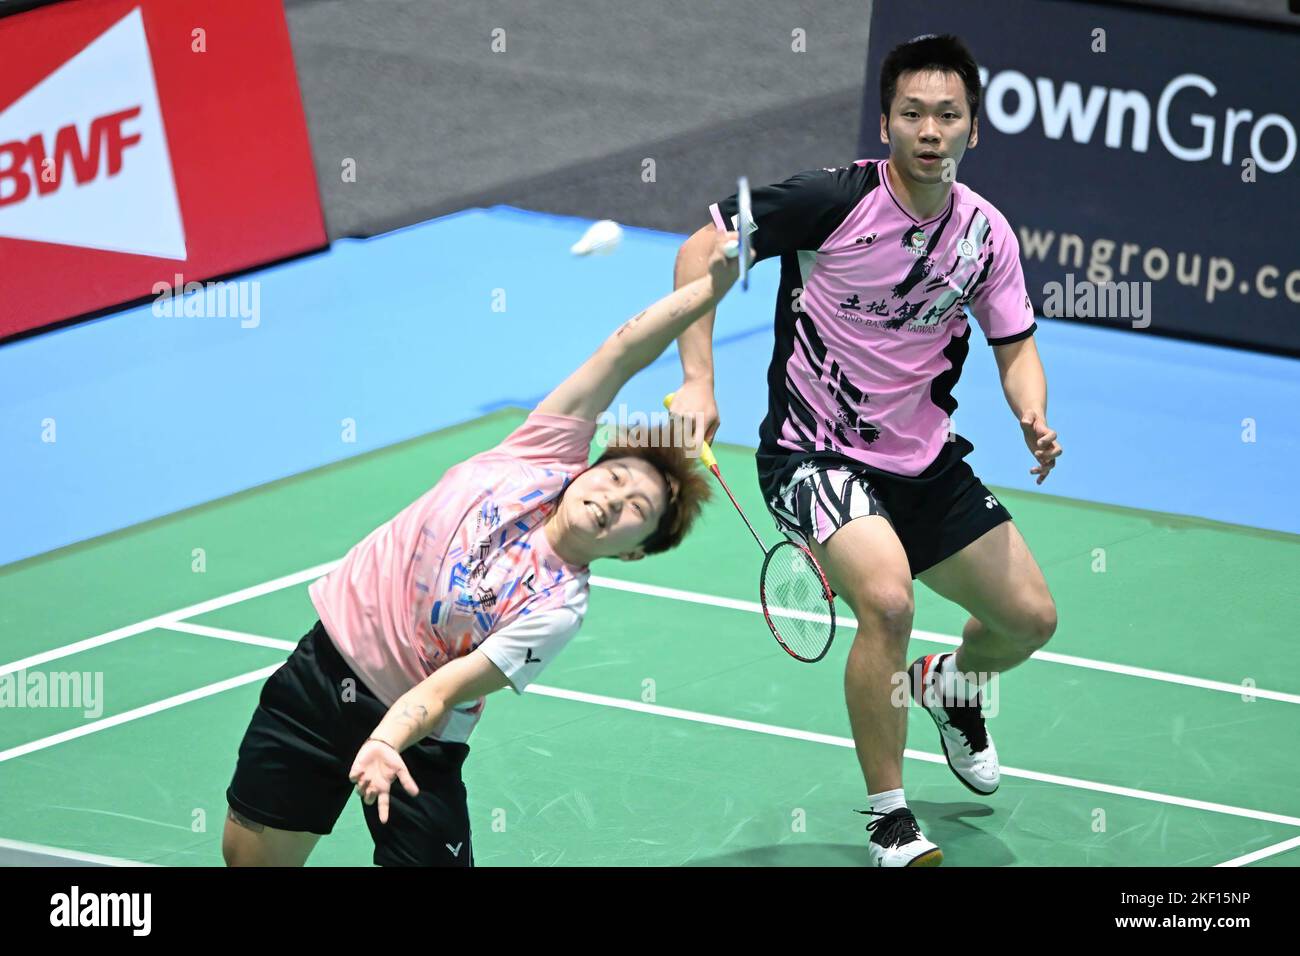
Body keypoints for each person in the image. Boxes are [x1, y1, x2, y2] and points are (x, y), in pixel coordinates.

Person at [221, 229, 746, 866]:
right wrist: (707, 289)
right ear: (586, 469)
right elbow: (623, 351)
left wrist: (388, 740)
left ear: (634, 551)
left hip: (418, 733)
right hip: (323, 677)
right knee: (250, 863)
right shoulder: (540, 452)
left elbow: (443, 691)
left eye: (637, 509)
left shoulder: (559, 608)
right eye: (613, 476)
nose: (612, 498)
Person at [668, 34, 1063, 867]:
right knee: (886, 603)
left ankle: (950, 687)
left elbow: (1014, 342)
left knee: (1029, 621)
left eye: (947, 116)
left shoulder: (986, 235)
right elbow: (702, 248)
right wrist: (699, 381)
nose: (929, 130)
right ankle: (890, 816)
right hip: (813, 455)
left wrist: (1031, 414)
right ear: (885, 123)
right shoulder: (829, 200)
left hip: (924, 460)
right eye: (912, 114)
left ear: (973, 130)